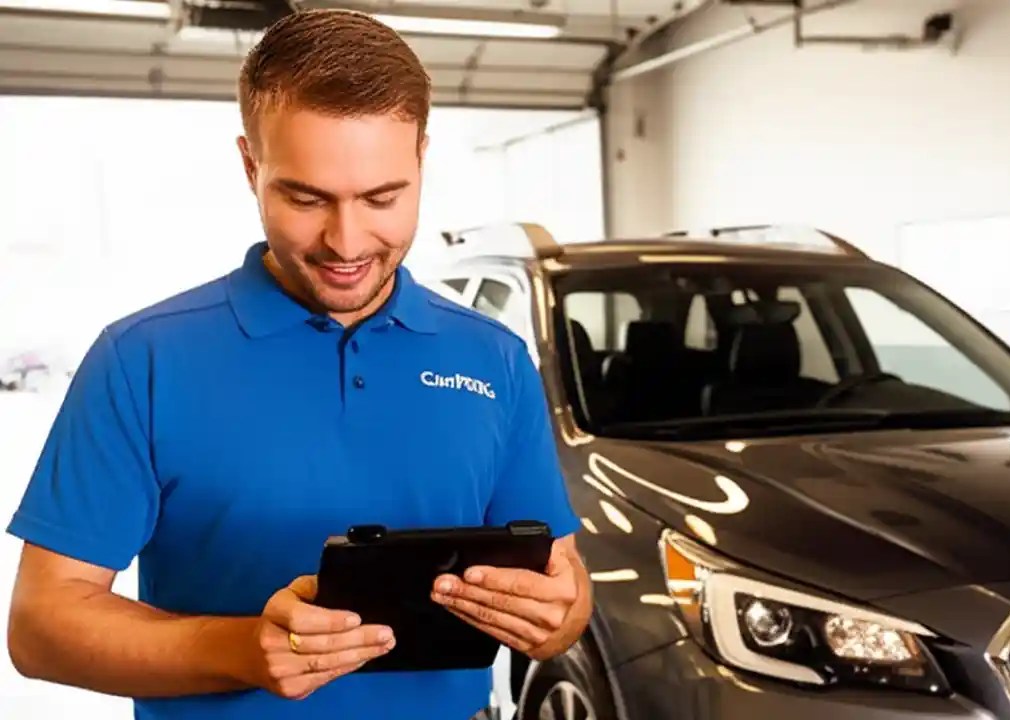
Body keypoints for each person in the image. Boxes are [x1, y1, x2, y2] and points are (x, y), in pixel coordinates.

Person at [4, 9, 590, 720]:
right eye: (306, 198)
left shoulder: (494, 358)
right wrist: (243, 650)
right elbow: (41, 628)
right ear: (252, 166)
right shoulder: (142, 361)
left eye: (383, 198)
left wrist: (559, 616)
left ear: (421, 160)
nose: (346, 242)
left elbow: (564, 587)